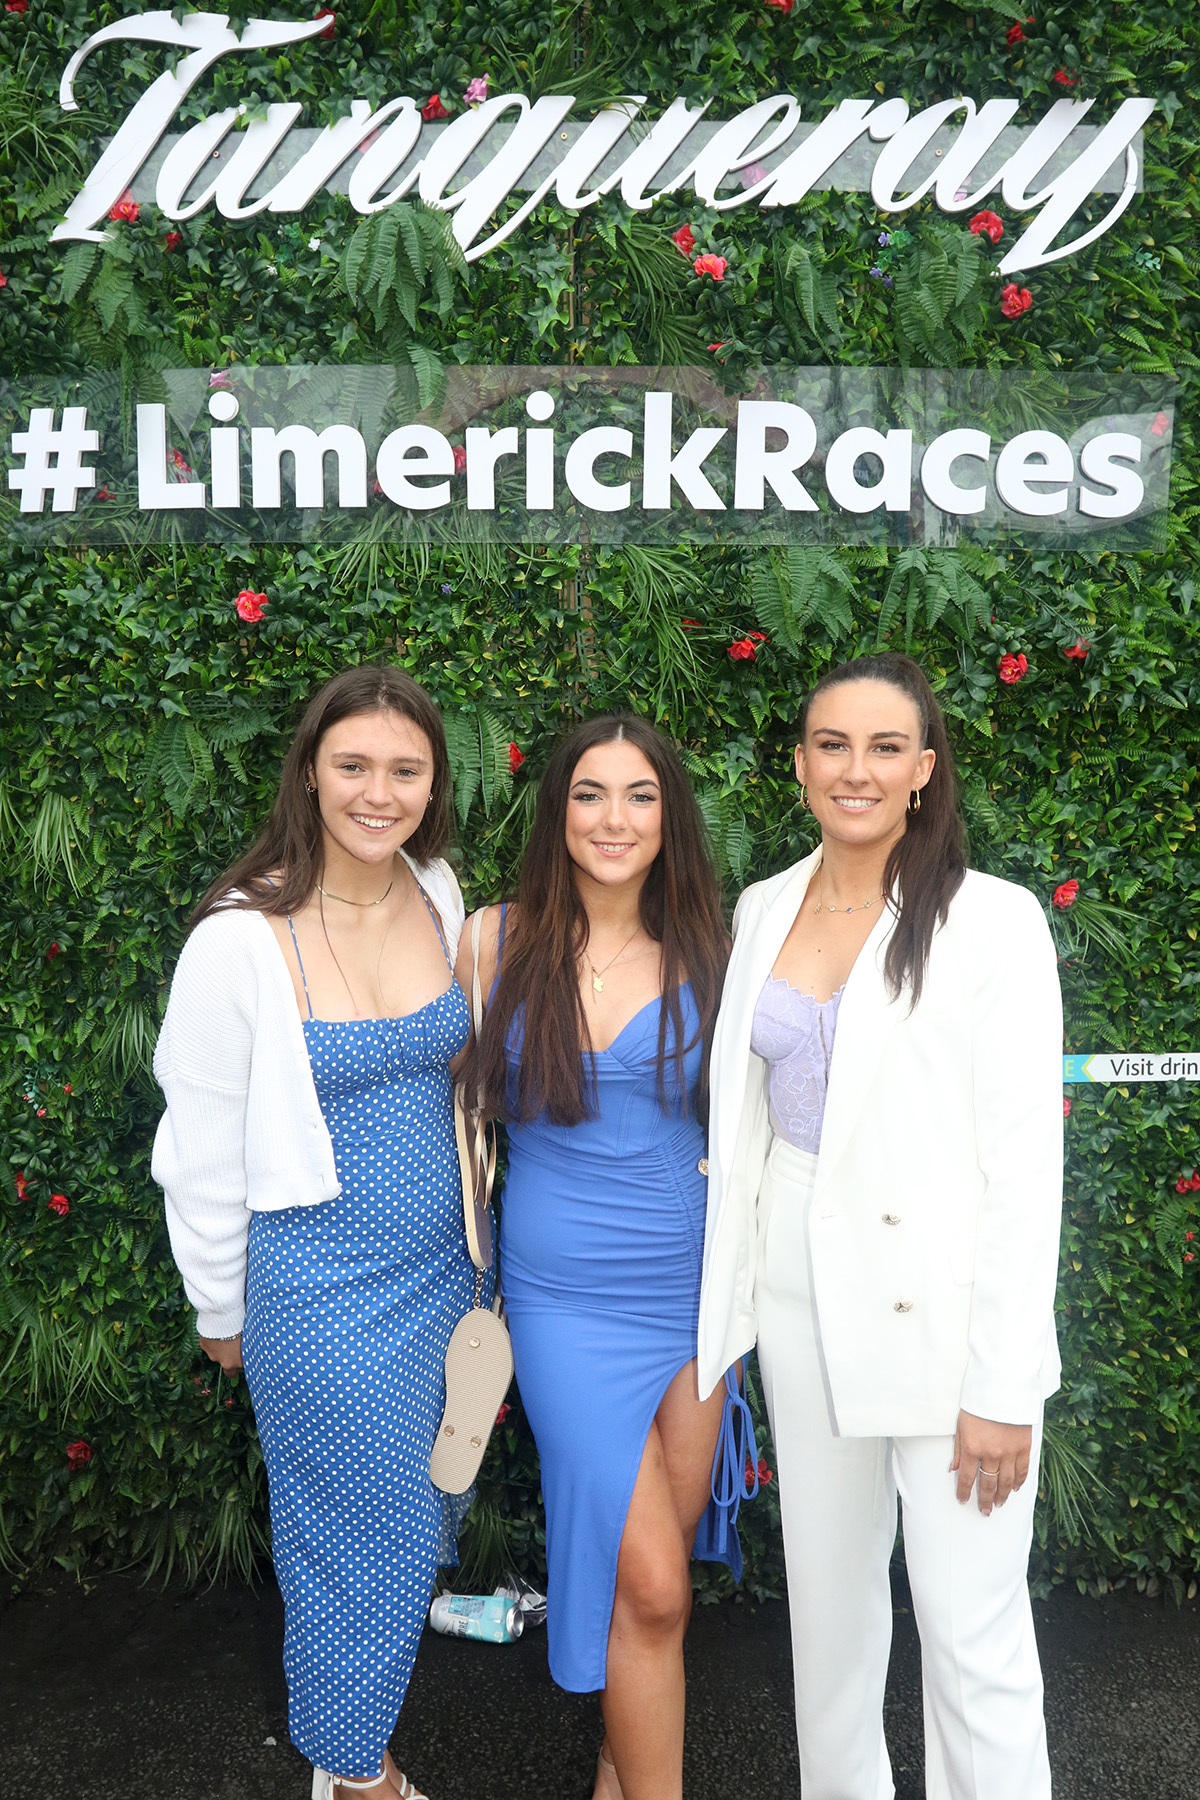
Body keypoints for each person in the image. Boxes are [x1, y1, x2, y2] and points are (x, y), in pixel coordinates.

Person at [697, 652, 1063, 1800]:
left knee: (969, 1631)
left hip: (940, 1308)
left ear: (925, 771)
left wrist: (1004, 1385)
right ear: (801, 762)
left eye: (885, 747)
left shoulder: (990, 921)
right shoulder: (762, 907)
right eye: (832, 745)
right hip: (800, 1288)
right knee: (830, 1616)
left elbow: (1023, 1168)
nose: (855, 770)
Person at [153, 665, 474, 1800]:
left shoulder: (439, 893)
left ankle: (355, 1746)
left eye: (404, 770)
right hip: (318, 1288)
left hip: (449, 1279)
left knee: (423, 1501)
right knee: (356, 1536)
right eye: (353, 767)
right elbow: (198, 1145)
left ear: (434, 785)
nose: (377, 793)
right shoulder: (241, 940)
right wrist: (221, 1307)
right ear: (309, 772)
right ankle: (352, 1773)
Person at [461, 715, 754, 1800]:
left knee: (656, 1589)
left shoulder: (719, 953)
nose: (614, 818)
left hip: (694, 1297)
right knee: (657, 1588)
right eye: (591, 793)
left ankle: (618, 1775)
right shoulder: (493, 942)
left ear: (671, 816)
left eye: (640, 795)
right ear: (559, 811)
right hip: (562, 1306)